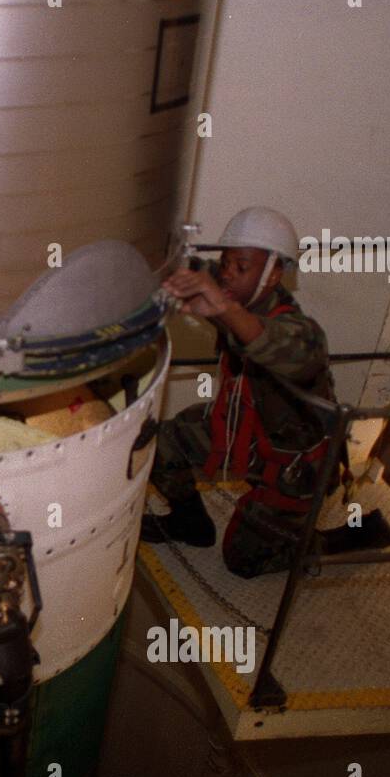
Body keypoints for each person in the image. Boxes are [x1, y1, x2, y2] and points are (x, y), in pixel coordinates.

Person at [140, 206, 344, 579]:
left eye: (242, 266)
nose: (229, 273)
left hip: (291, 468)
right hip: (241, 431)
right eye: (227, 263)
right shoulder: (228, 286)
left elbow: (270, 341)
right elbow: (187, 269)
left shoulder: (300, 332)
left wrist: (222, 308)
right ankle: (191, 525)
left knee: (242, 563)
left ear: (274, 273)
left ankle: (310, 542)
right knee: (159, 444)